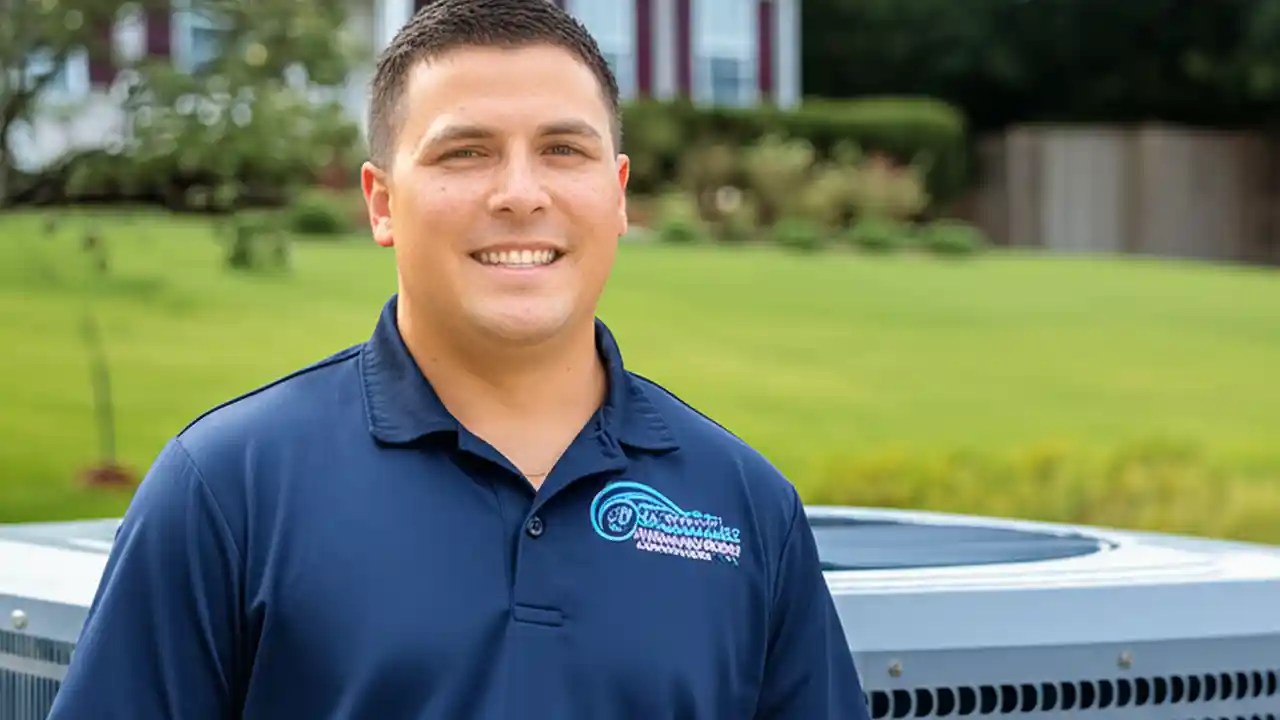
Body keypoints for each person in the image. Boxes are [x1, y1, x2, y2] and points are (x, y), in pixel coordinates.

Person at [48, 0, 871, 717]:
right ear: (381, 202)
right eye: (464, 153)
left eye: (563, 150)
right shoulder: (229, 490)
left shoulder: (744, 507)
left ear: (618, 194)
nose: (519, 193)